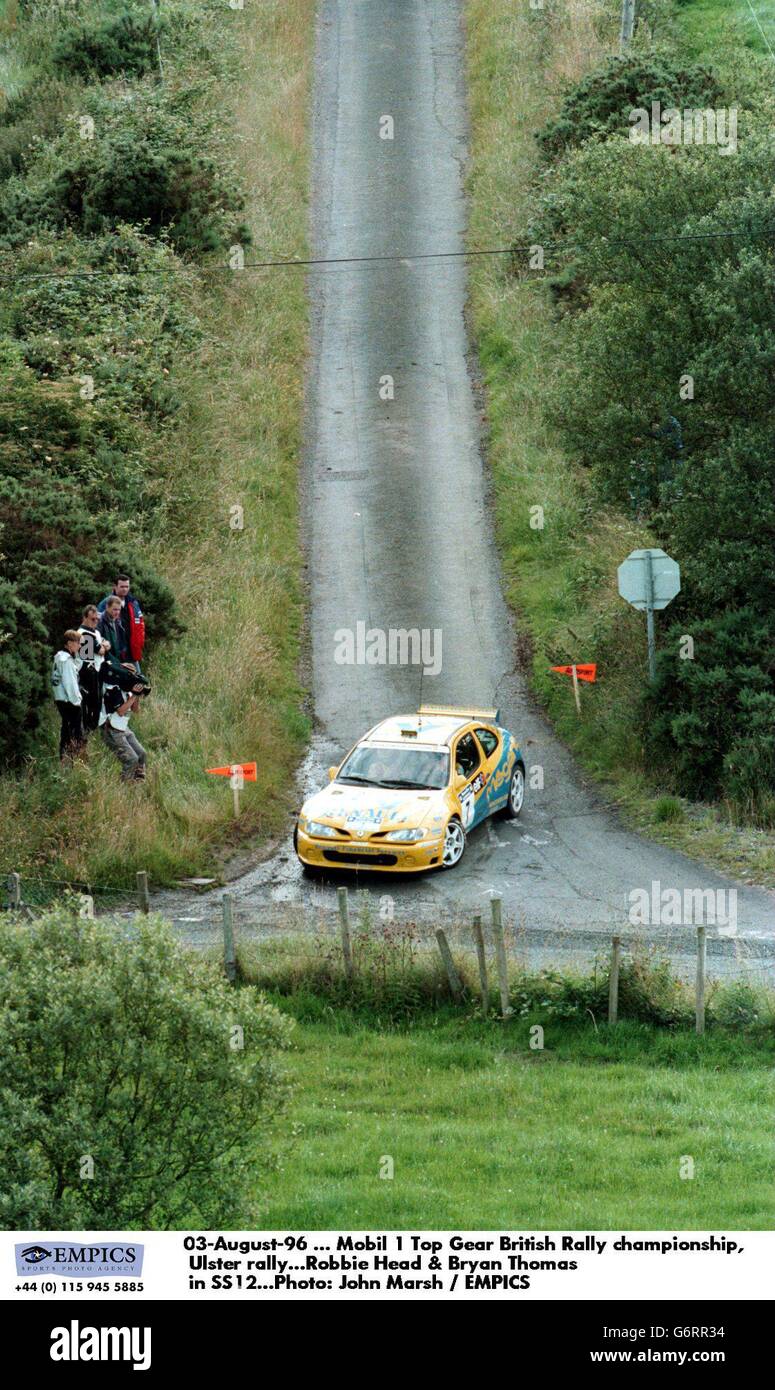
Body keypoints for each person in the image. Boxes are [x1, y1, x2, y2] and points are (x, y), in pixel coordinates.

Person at [99, 676, 147, 782]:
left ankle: (137, 781)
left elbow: (136, 710)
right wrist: (134, 695)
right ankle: (126, 784)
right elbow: (120, 711)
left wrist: (137, 696)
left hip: (123, 727)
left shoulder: (129, 692)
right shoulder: (113, 690)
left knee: (142, 754)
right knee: (132, 759)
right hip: (112, 729)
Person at [97, 573, 145, 670]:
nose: (124, 589)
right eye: (122, 586)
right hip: (115, 651)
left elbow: (140, 625)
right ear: (115, 586)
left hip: (132, 650)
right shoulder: (106, 603)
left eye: (127, 586)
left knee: (137, 679)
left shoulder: (133, 603)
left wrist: (139, 644)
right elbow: (96, 628)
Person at [51, 630, 85, 762]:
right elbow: (70, 683)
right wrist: (77, 702)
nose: (80, 646)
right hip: (69, 701)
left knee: (67, 729)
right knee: (73, 732)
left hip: (61, 699)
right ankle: (70, 760)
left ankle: (65, 759)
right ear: (69, 643)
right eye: (78, 643)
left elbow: (76, 667)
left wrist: (77, 656)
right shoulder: (65, 661)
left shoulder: (61, 657)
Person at [77, 604, 110, 733]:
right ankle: (88, 728)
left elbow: (107, 644)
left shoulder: (95, 632)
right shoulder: (84, 633)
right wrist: (103, 646)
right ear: (85, 618)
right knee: (92, 702)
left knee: (98, 700)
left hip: (97, 670)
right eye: (92, 619)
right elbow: (101, 650)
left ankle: (93, 727)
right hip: (88, 672)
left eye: (97, 619)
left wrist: (103, 646)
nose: (95, 621)